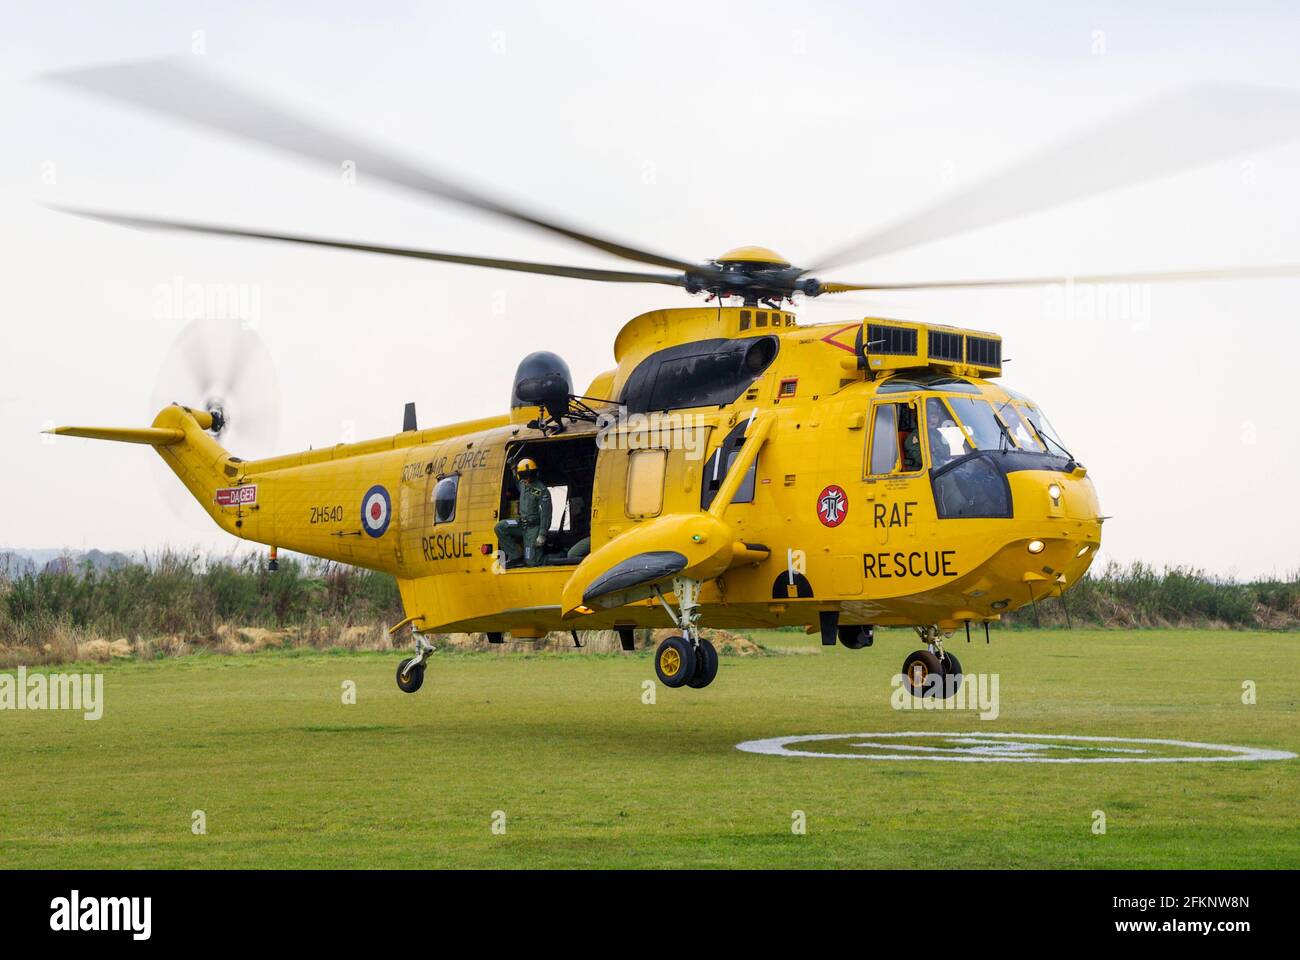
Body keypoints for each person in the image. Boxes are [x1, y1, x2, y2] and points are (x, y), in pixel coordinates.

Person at [495, 457, 552, 567]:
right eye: (525, 476)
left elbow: (546, 514)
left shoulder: (541, 490)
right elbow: (516, 479)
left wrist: (542, 534)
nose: (527, 479)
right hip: (521, 524)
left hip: (533, 528)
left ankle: (560, 556)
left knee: (532, 562)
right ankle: (516, 556)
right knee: (500, 527)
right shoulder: (522, 484)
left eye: (530, 476)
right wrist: (512, 467)